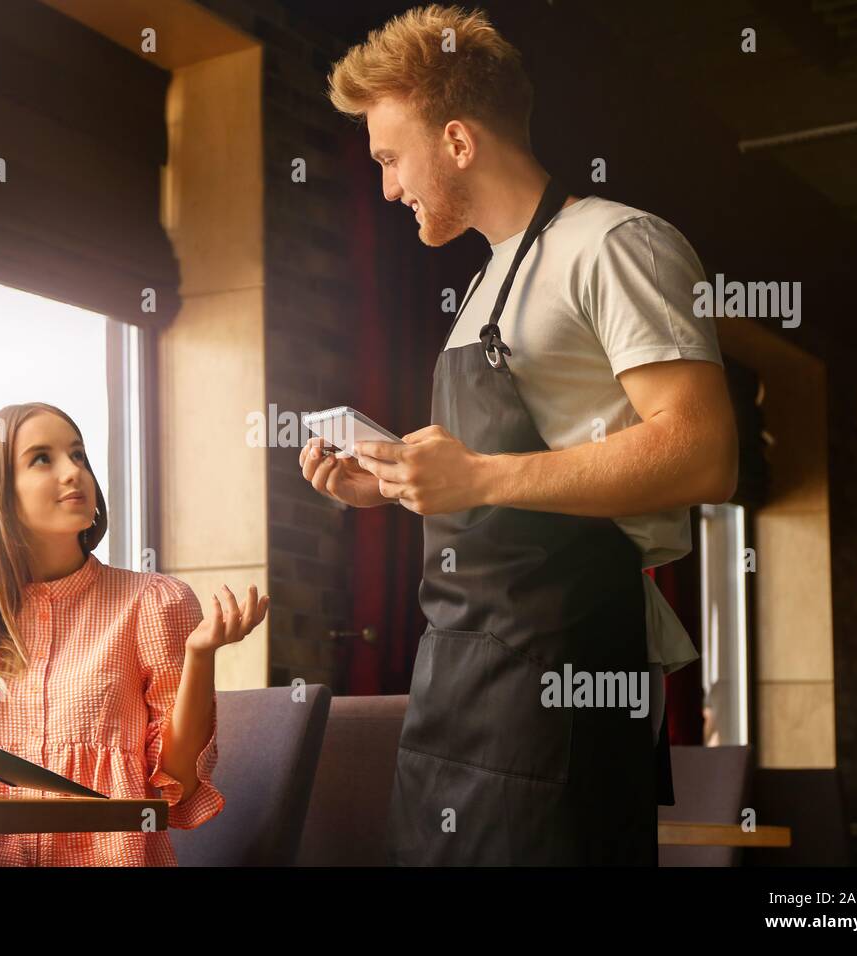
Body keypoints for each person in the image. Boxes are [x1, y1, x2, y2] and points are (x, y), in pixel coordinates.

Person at [305, 4, 737, 864]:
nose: (388, 187)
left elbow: (701, 450)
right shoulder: (486, 283)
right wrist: (394, 481)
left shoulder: (616, 243)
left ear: (458, 142)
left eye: (392, 158)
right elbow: (497, 476)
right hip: (456, 684)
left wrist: (483, 479)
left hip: (567, 676)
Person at [0, 401, 268, 865]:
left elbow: (175, 782)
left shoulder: (154, 603)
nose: (73, 472)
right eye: (43, 458)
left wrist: (200, 656)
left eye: (78, 455)